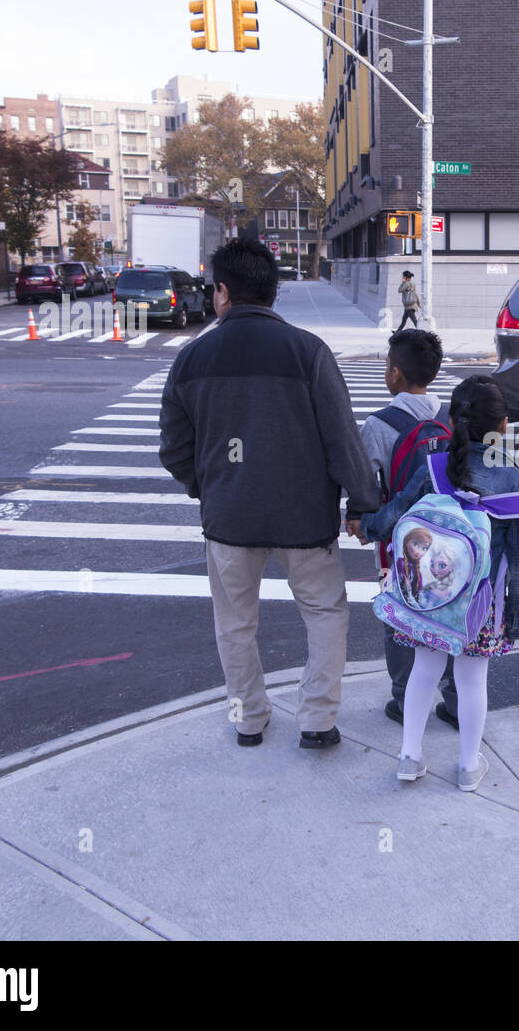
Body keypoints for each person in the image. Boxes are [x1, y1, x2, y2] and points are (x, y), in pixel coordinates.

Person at [158, 238, 379, 749]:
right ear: (274, 294)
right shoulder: (308, 352)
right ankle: (317, 722)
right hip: (305, 518)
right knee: (324, 613)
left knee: (235, 624)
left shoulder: (191, 360)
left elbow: (174, 449)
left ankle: (249, 721)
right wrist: (363, 502)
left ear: (221, 293)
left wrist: (207, 486)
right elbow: (342, 439)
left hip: (229, 518)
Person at [358, 375, 519, 792]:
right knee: (472, 679)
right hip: (481, 606)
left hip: (431, 598)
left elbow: (394, 514)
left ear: (452, 420)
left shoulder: (434, 466)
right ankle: (468, 766)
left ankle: (409, 757)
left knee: (424, 669)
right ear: (503, 425)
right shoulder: (512, 479)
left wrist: (366, 525)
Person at [348, 328, 459, 728]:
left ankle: (403, 698)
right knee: (449, 612)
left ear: (394, 374)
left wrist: (361, 520)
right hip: (452, 542)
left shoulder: (380, 424)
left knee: (399, 616)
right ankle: (456, 699)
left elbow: (362, 482)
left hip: (400, 544)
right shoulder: (452, 416)